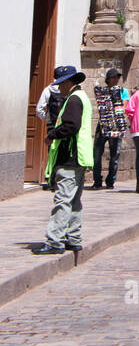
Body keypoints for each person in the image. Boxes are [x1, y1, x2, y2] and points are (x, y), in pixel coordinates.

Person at [32, 65, 94, 259]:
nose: (59, 89)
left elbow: (70, 126)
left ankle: (55, 240)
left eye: (60, 84)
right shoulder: (82, 97)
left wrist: (52, 135)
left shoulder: (74, 100)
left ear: (68, 82)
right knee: (74, 200)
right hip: (80, 156)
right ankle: (73, 238)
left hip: (70, 156)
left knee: (63, 200)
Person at [92, 66, 129, 190]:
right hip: (103, 123)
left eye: (118, 77)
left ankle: (110, 180)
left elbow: (124, 106)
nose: (116, 79)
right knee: (97, 153)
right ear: (108, 79)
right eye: (114, 77)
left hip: (116, 125)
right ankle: (97, 180)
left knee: (115, 154)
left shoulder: (122, 91)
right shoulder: (102, 92)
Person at [35, 76, 63, 189]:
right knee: (63, 151)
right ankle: (61, 180)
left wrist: (47, 119)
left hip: (52, 126)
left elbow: (39, 109)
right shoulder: (69, 90)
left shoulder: (48, 90)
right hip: (65, 125)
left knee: (52, 152)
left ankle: (51, 179)